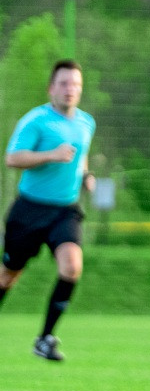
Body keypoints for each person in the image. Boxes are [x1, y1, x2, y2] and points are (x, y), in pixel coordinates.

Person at [1, 59, 97, 362]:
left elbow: (81, 157)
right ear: (51, 88)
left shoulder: (86, 123)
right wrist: (51, 155)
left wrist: (85, 176)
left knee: (72, 267)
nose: (71, 90)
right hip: (29, 209)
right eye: (65, 83)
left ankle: (45, 339)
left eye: (76, 85)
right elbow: (12, 159)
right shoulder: (36, 120)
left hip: (65, 210)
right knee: (7, 277)